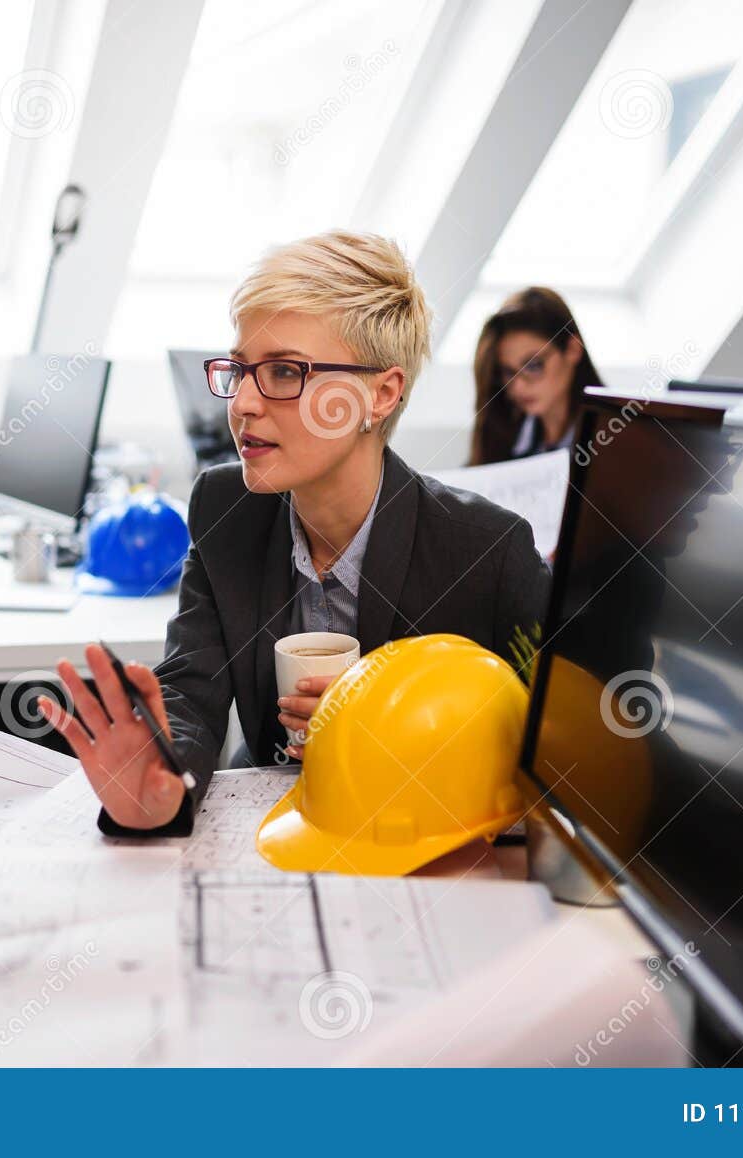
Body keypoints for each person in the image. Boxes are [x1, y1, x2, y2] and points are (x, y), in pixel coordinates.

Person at [39, 231, 551, 835]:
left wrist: (410, 746)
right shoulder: (225, 507)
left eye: (284, 372)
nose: (244, 405)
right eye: (241, 370)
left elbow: (567, 750)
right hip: (270, 833)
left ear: (380, 394)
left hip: (418, 850)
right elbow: (190, 690)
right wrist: (162, 784)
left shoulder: (486, 551)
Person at [469, 286, 603, 464]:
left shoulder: (618, 435)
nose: (518, 387)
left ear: (573, 349)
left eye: (533, 366)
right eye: (508, 372)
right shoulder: (501, 438)